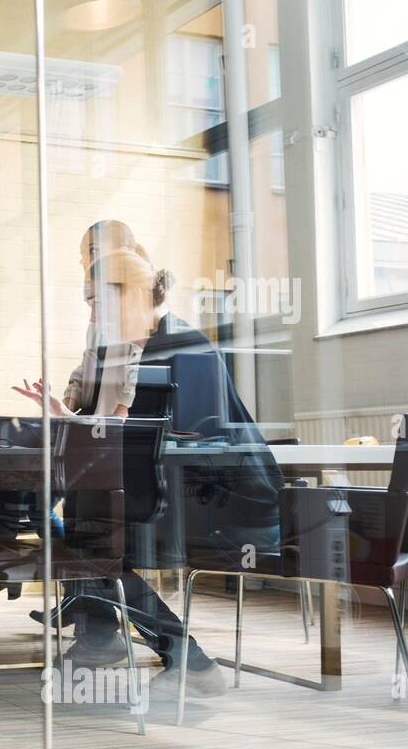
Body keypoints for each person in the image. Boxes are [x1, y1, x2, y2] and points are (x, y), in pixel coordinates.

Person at [15, 243, 282, 698]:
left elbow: (184, 445)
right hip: (189, 494)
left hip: (228, 508)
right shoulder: (139, 349)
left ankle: (158, 652)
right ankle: (165, 653)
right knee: (87, 530)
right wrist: (69, 416)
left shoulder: (181, 348)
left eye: (96, 301)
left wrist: (83, 433)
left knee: (91, 539)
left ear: (130, 296)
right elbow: (131, 437)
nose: (93, 314)